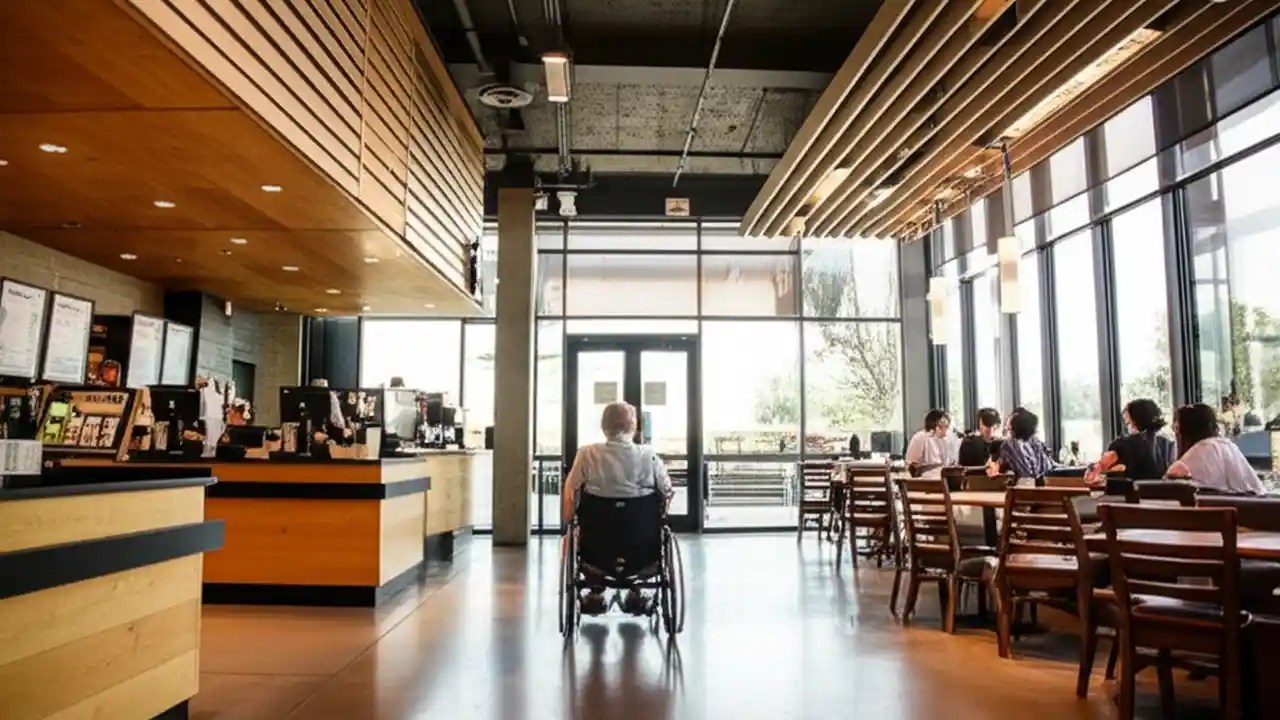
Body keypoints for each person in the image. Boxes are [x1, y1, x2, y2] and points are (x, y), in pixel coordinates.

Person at [562, 401, 673, 614]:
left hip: (596, 547)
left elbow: (571, 491)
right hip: (642, 546)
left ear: (604, 427)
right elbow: (667, 492)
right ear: (633, 427)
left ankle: (595, 590)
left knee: (584, 533)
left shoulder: (587, 454)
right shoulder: (648, 456)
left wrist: (569, 520)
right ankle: (636, 588)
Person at [1166, 403, 1266, 495]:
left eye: (1176, 428)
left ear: (1182, 432)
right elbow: (1258, 491)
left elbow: (1168, 497)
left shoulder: (1183, 466)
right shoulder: (1229, 447)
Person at [1085, 399, 1176, 485]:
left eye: (1127, 423)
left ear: (1134, 423)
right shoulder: (1168, 444)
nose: (1127, 427)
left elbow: (1101, 465)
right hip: (1163, 497)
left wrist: (1092, 469)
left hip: (1133, 497)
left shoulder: (1122, 444)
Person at [994, 409, 1056, 479]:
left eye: (1008, 428)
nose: (1006, 428)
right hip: (1045, 484)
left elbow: (1026, 474)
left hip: (1025, 486)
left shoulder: (1011, 445)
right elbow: (1050, 465)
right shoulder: (1035, 441)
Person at [906, 409, 955, 477]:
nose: (946, 430)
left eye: (947, 426)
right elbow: (912, 464)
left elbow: (950, 462)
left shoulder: (946, 439)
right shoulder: (920, 437)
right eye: (944, 427)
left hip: (943, 478)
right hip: (925, 479)